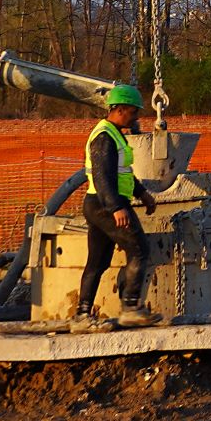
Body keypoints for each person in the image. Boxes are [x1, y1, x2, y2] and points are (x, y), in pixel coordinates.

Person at [83, 83, 157, 327]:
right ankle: (131, 307)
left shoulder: (113, 135)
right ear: (121, 109)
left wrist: (142, 193)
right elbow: (103, 176)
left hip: (98, 203)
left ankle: (82, 314)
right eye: (134, 112)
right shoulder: (105, 137)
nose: (136, 117)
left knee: (98, 262)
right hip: (105, 205)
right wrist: (116, 208)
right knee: (139, 249)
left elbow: (121, 172)